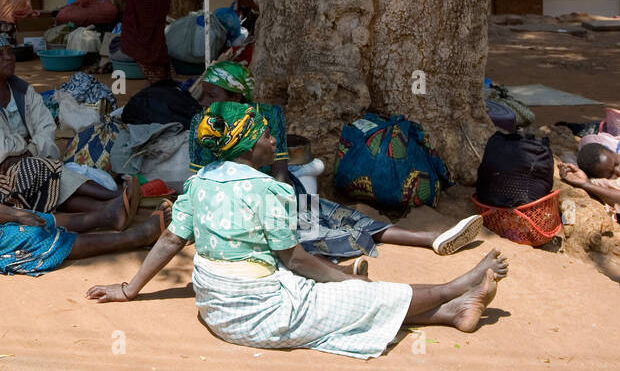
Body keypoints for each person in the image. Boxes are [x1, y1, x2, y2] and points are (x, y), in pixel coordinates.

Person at [86, 101, 510, 359]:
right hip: (255, 315)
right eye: (268, 135)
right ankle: (458, 286)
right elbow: (295, 259)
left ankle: (452, 312)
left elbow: (171, 239)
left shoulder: (200, 183)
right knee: (365, 295)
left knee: (344, 303)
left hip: (215, 307)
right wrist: (343, 279)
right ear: (251, 145)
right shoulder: (268, 190)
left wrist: (129, 289)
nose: (275, 141)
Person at [0, 56, 165, 275]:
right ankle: (134, 237)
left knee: (32, 215)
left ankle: (106, 216)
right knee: (27, 234)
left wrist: (12, 211)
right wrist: (14, 215)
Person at [191, 61, 483, 260]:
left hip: (277, 192)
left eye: (212, 95)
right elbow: (200, 177)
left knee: (340, 215)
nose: (205, 102)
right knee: (306, 236)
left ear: (236, 95)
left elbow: (280, 174)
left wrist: (281, 206)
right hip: (233, 201)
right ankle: (338, 265)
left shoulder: (268, 115)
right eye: (204, 95)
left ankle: (432, 238)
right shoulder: (201, 124)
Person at [0, 33, 135, 219]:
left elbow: (47, 128)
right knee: (37, 173)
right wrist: (26, 146)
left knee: (42, 173)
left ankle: (112, 207)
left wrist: (28, 150)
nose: (8, 57)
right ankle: (114, 200)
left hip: (31, 163)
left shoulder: (23, 91)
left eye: (10, 52)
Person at [561, 143, 620, 219]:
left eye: (617, 163)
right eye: (611, 175)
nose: (619, 171)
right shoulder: (605, 184)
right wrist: (586, 185)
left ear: (613, 152)